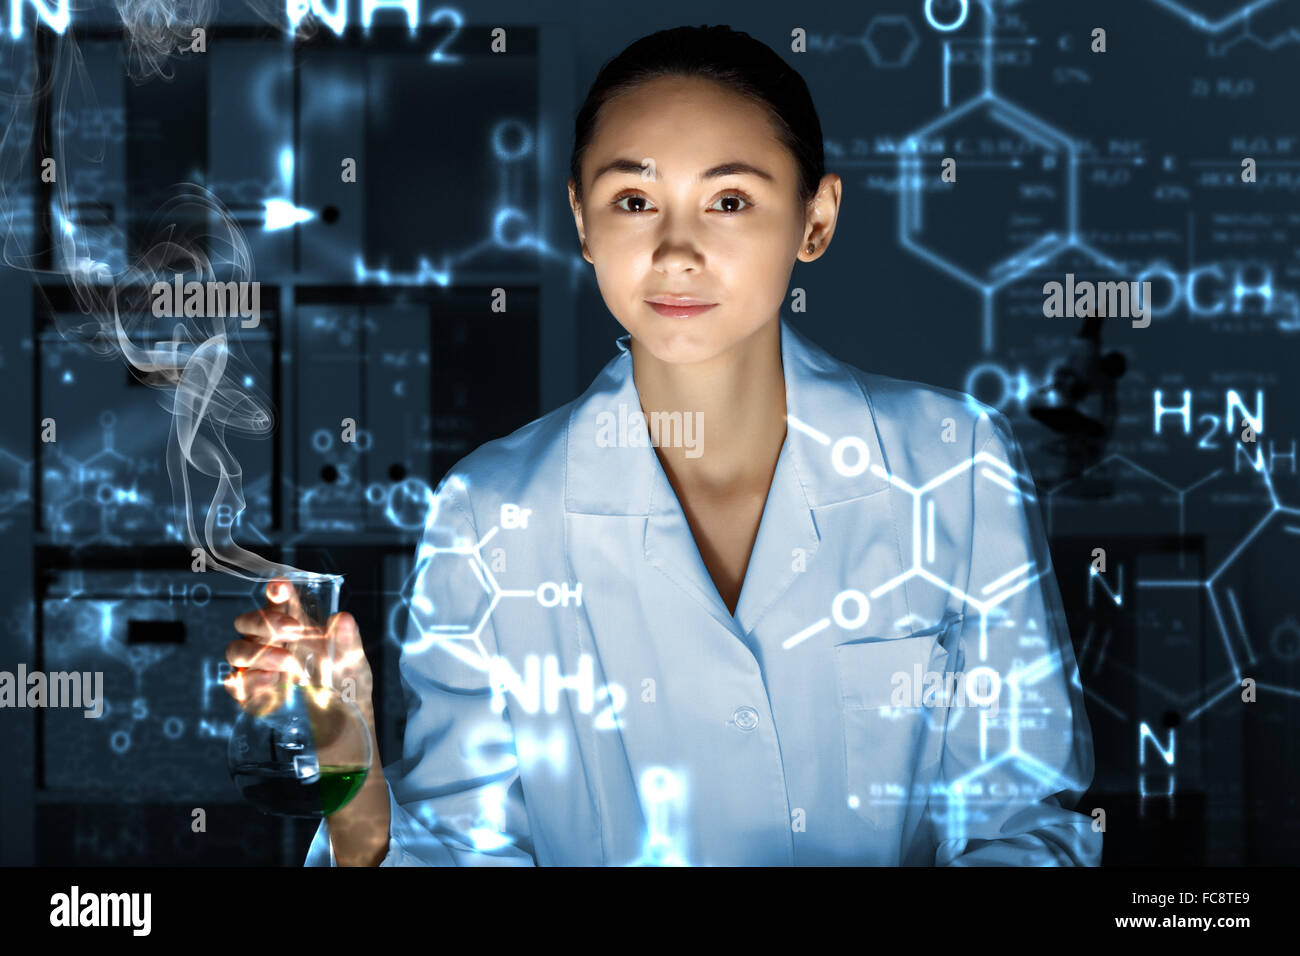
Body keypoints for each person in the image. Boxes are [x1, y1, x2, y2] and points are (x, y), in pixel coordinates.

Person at [227, 24, 1101, 866]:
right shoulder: (490, 512)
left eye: (729, 200)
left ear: (816, 219)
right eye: (634, 201)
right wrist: (356, 784)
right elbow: (467, 848)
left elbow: (1023, 820)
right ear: (580, 219)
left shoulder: (952, 465)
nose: (676, 251)